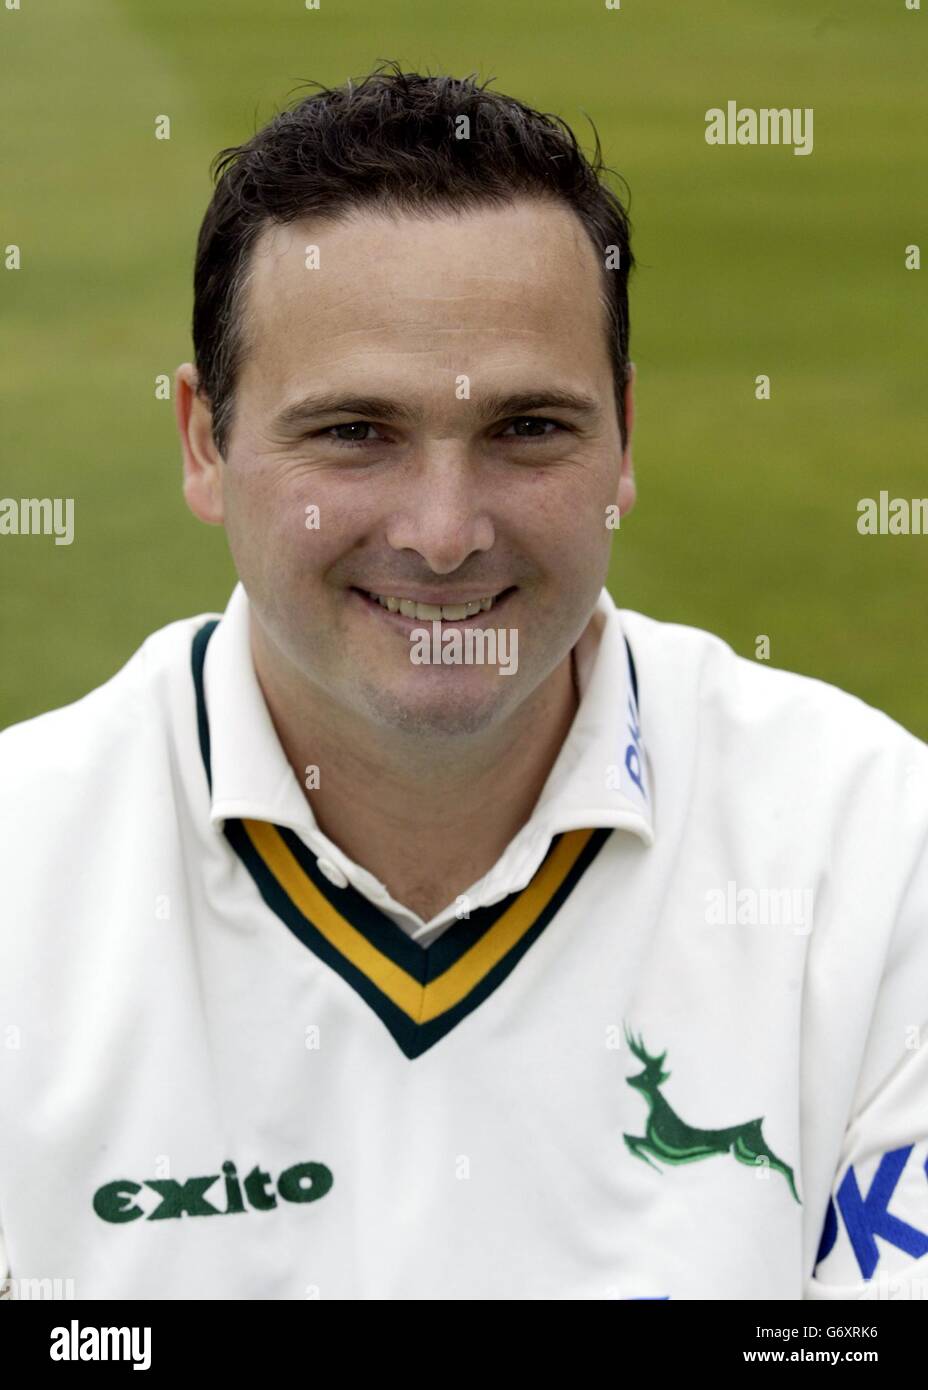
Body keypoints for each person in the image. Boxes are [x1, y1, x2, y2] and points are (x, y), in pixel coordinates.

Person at [1, 64, 927, 1301]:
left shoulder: (875, 853)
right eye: (354, 432)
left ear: (624, 439)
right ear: (204, 443)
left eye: (527, 429)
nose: (444, 534)